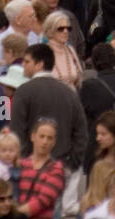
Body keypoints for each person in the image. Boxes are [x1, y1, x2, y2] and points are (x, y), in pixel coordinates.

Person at [13, 43, 88, 174]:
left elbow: (16, 130)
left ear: (39, 64)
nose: (23, 64)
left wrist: (23, 162)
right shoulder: (69, 93)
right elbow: (81, 132)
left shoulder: (23, 92)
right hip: (62, 164)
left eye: (27, 61)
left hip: (32, 167)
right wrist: (72, 163)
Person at [17, 117, 67, 219]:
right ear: (33, 137)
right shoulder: (20, 165)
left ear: (54, 142)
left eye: (49, 138)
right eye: (42, 136)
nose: (45, 142)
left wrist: (14, 214)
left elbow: (42, 201)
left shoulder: (56, 169)